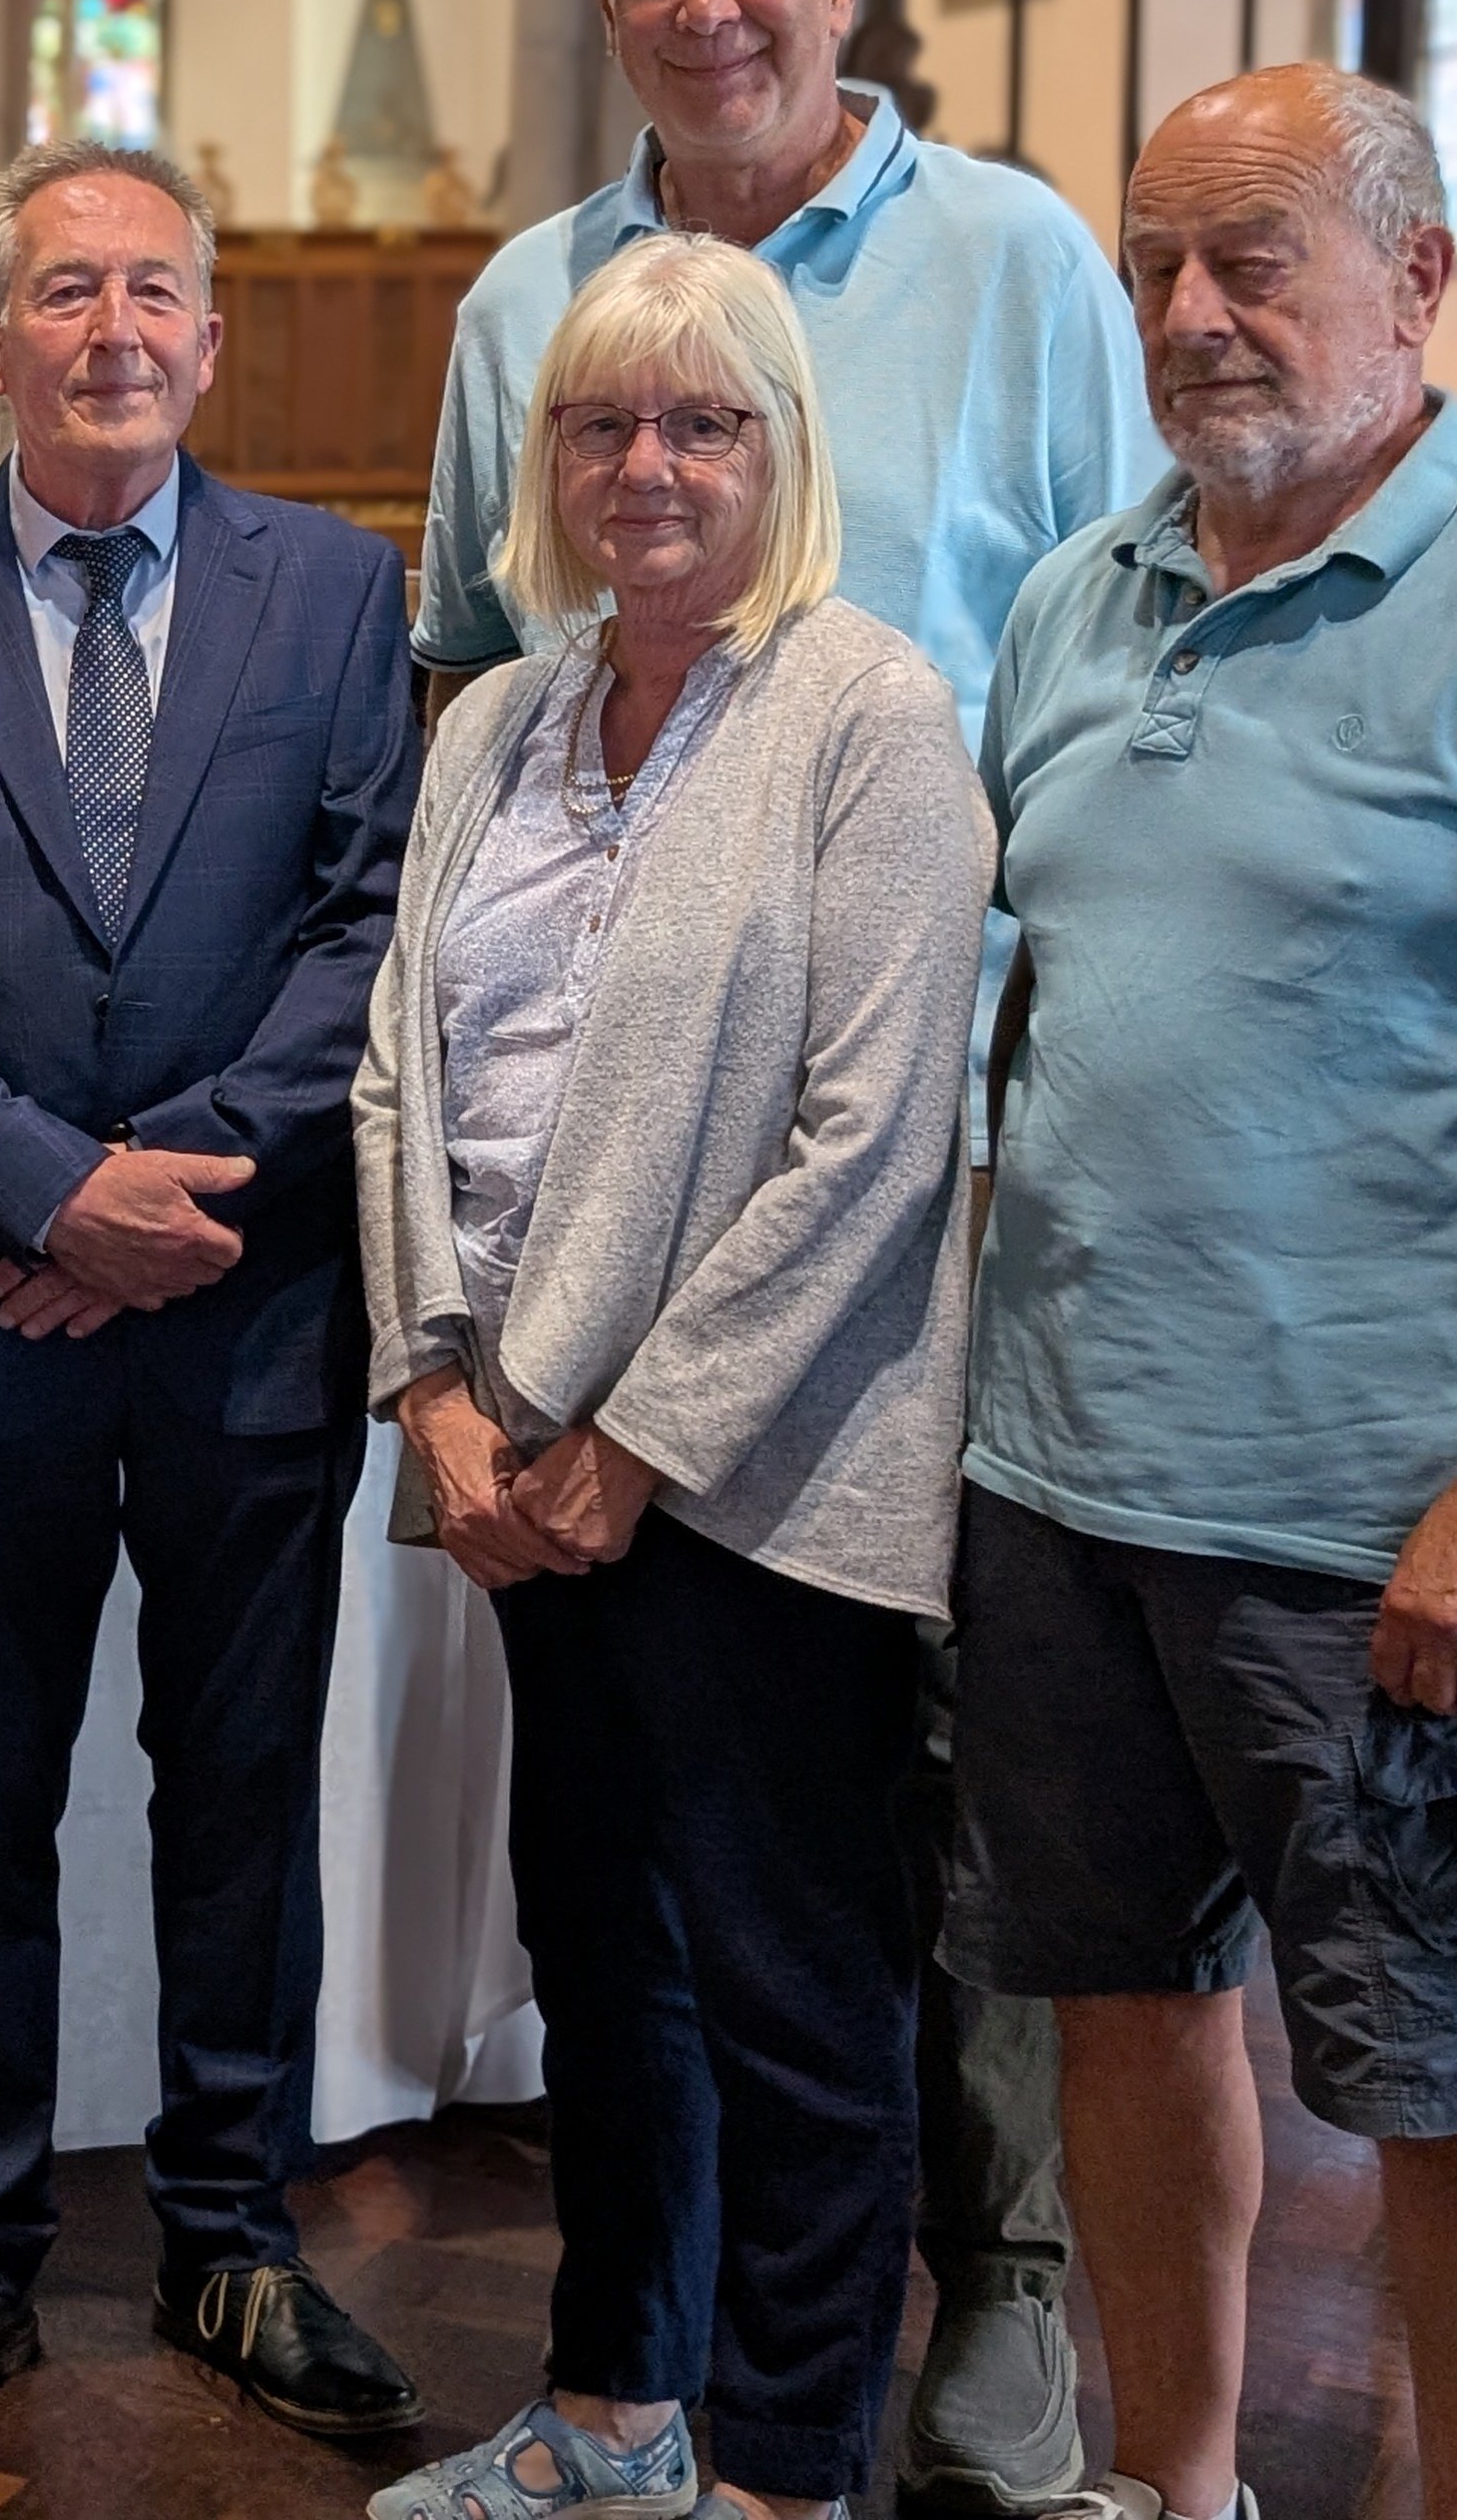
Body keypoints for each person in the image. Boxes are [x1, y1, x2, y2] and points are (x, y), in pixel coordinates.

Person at [413, 0, 1156, 2508]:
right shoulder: (525, 303)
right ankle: (647, 2381)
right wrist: (453, 1352)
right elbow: (463, 802)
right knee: (637, 1879)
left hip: (918, 1174)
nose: (707, 2)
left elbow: (1114, 658)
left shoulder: (1021, 268)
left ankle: (995, 2293)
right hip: (582, 1249)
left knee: (906, 1815)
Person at [951, 63, 1457, 2520]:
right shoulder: (1075, 595)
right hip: (1061, 1479)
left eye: (1251, 257)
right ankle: (1173, 2477)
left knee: (1454, 2074)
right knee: (1122, 2006)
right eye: (1154, 267)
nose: (1191, 312)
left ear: (1414, 277)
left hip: (1393, 1511)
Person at [0, 141, 421, 2471]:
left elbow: (366, 919)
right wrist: (52, 1192)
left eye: (152, 289)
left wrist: (171, 1186)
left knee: (238, 1784)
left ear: (210, 334)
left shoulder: (333, 589)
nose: (112, 331)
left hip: (247, 1300)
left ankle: (228, 2225)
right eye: (64, 291)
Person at [357, 235, 987, 2520]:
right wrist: (433, 1386)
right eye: (600, 423)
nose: (645, 464)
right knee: (599, 1958)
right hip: (518, 1454)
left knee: (791, 1986)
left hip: (762, 1476)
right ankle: (616, 2403)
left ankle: (785, 2463)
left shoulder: (867, 715)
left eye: (701, 421)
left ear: (778, 452)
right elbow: (396, 1076)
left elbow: (872, 1134)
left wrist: (635, 1439)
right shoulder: (493, 723)